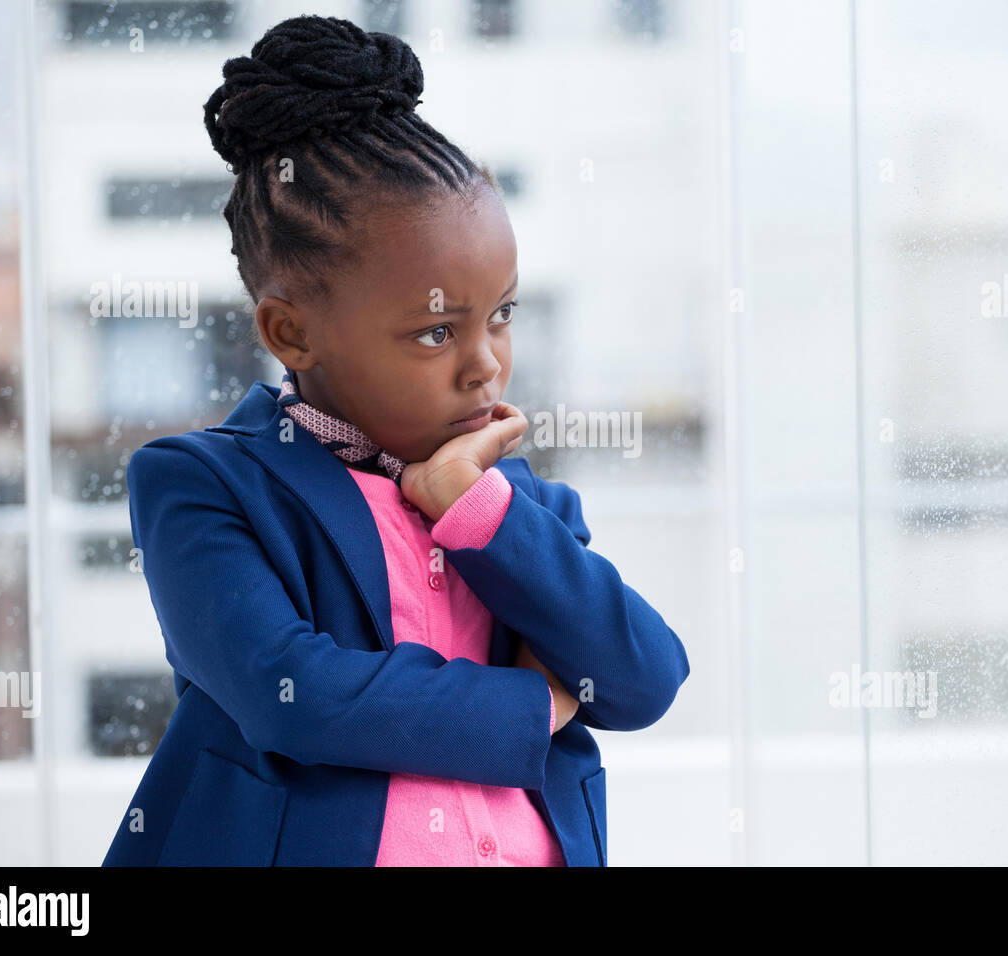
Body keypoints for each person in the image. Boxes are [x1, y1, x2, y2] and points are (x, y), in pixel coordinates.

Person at [102, 15, 689, 867]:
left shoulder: (521, 506)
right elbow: (290, 695)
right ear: (291, 334)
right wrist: (534, 703)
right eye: (435, 333)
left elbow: (643, 680)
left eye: (501, 316)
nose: (485, 365)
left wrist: (474, 510)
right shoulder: (203, 484)